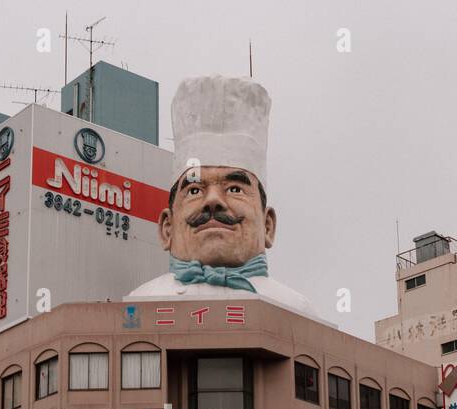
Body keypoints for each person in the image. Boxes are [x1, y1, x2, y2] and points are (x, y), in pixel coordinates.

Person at [126, 75, 322, 321]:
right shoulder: (139, 307)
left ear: (268, 225)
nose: (213, 201)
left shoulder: (297, 313)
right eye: (195, 190)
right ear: (167, 228)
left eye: (235, 189)